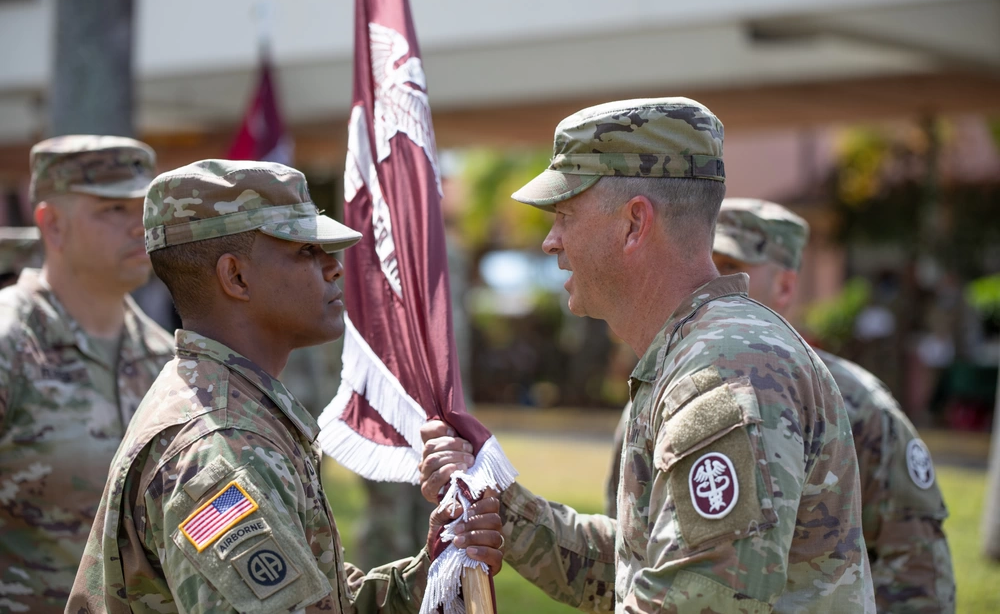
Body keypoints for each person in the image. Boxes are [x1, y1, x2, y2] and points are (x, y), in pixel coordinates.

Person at [420, 97, 874, 611]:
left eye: (565, 214)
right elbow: (640, 564)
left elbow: (695, 601)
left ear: (635, 223)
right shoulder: (693, 355)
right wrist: (499, 507)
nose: (550, 241)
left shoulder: (721, 373)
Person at [67, 159, 503, 613]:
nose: (334, 268)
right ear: (236, 277)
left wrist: (437, 566)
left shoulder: (234, 407)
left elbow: (324, 599)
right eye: (305, 251)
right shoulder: (221, 450)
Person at [709, 198, 955, 612]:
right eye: (705, 263)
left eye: (731, 266)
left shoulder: (857, 405)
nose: (711, 280)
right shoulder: (665, 389)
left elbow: (917, 572)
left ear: (785, 287)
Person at [0, 136, 174, 612]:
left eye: (143, 207)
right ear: (52, 225)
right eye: (112, 209)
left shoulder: (166, 361)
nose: (137, 225)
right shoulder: (10, 346)